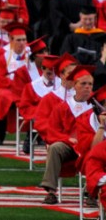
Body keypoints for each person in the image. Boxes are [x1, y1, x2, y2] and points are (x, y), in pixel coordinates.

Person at [38, 65, 102, 204]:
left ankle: (91, 193)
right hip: (68, 145)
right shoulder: (63, 106)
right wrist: (67, 139)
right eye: (83, 83)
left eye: (90, 84)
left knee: (96, 153)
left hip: (89, 145)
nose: (87, 87)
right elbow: (52, 131)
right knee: (55, 148)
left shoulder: (97, 107)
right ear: (74, 84)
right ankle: (51, 191)